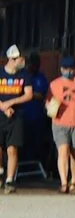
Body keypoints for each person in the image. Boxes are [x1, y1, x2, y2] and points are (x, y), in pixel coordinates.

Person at [46, 59, 75, 195]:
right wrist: (50, 106)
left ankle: (74, 182)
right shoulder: (54, 84)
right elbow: (48, 102)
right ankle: (64, 183)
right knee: (63, 151)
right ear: (61, 69)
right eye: (66, 68)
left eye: (71, 68)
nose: (68, 71)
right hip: (60, 122)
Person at [0, 48, 37, 191]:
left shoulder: (25, 75)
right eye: (21, 58)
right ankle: (1, 171)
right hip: (1, 114)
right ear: (12, 59)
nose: (24, 61)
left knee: (12, 148)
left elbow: (28, 95)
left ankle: (10, 180)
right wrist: (3, 107)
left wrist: (11, 103)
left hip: (17, 116)